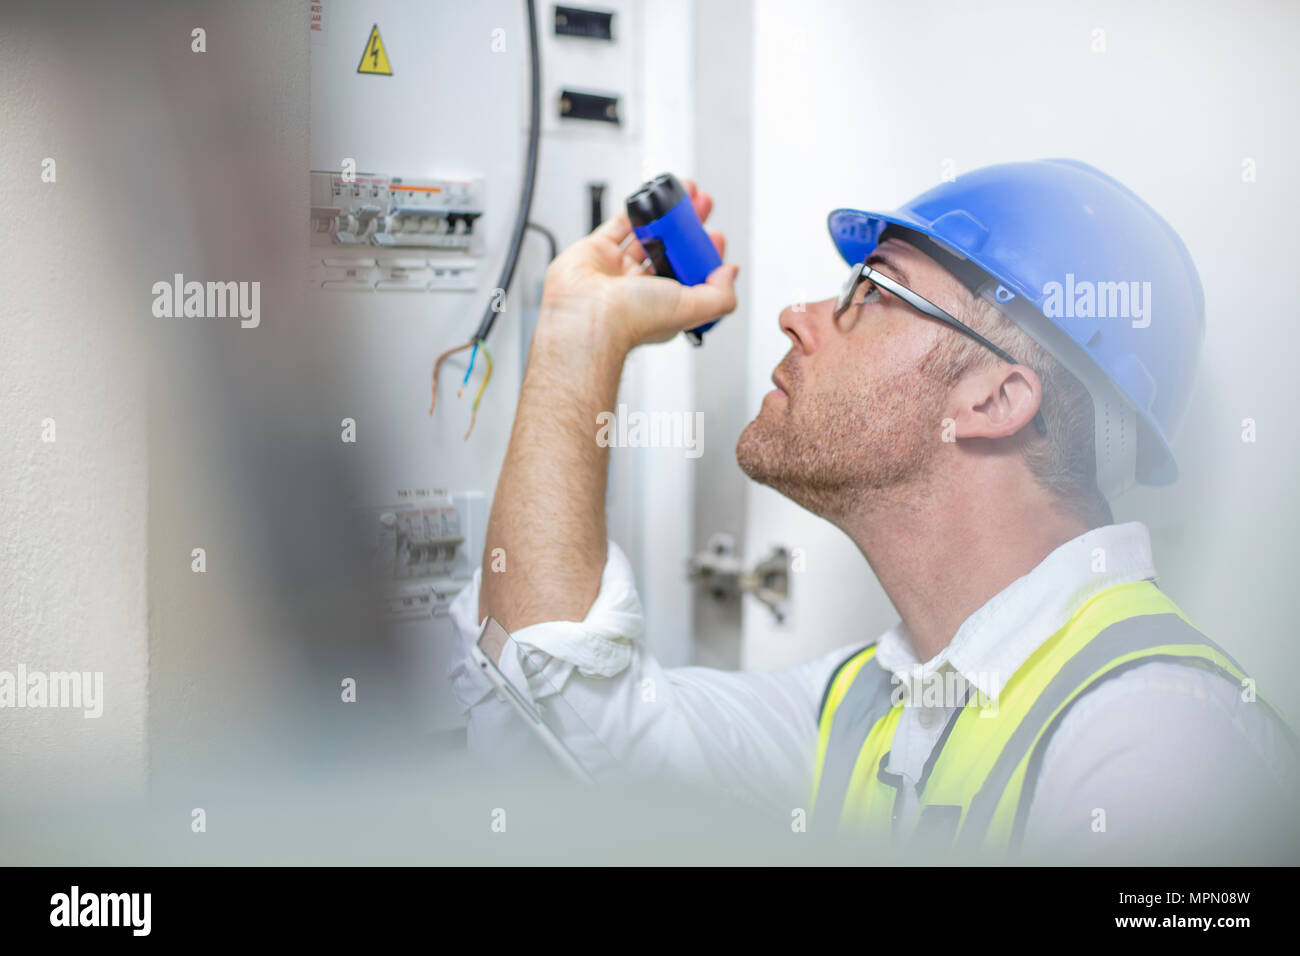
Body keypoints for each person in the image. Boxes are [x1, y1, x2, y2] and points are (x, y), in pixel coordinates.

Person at [446, 161, 1299, 863]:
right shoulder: (872, 704)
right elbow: (563, 704)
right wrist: (577, 335)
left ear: (995, 397)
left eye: (873, 291)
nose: (796, 316)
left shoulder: (1161, 743)